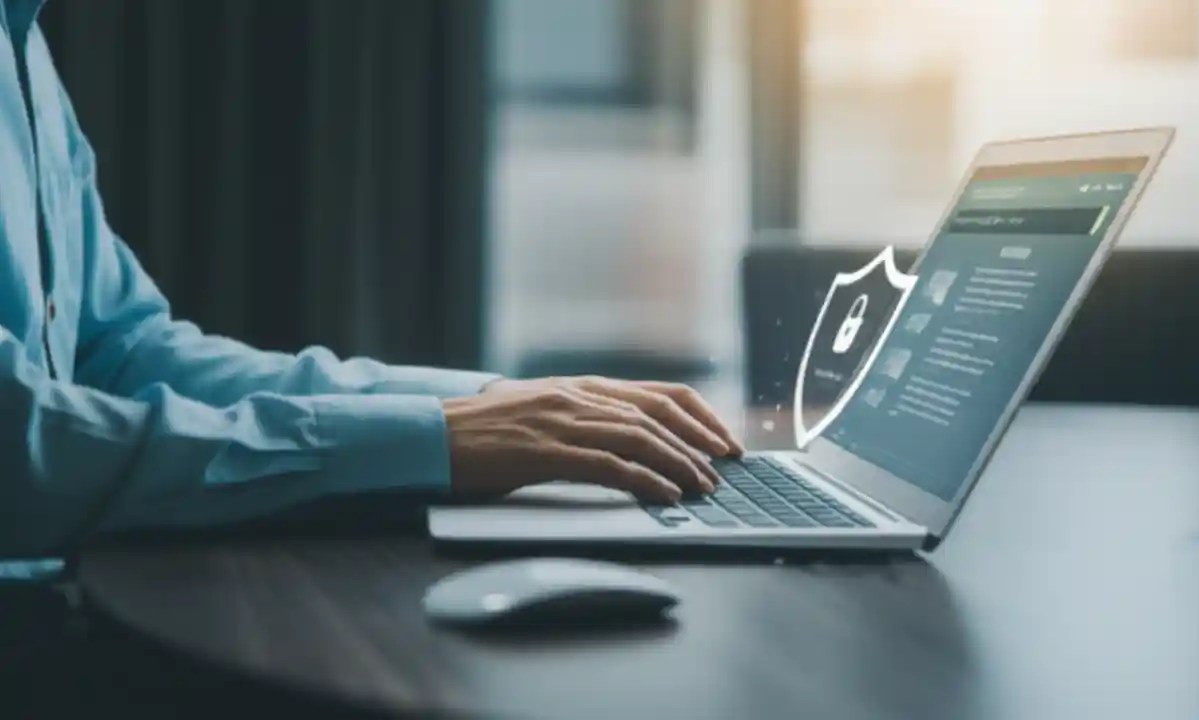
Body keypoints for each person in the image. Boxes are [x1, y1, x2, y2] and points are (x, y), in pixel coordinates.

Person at [0, 0, 742, 558]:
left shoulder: (21, 39)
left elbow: (123, 352)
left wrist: (483, 406)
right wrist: (432, 440)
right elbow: (24, 457)